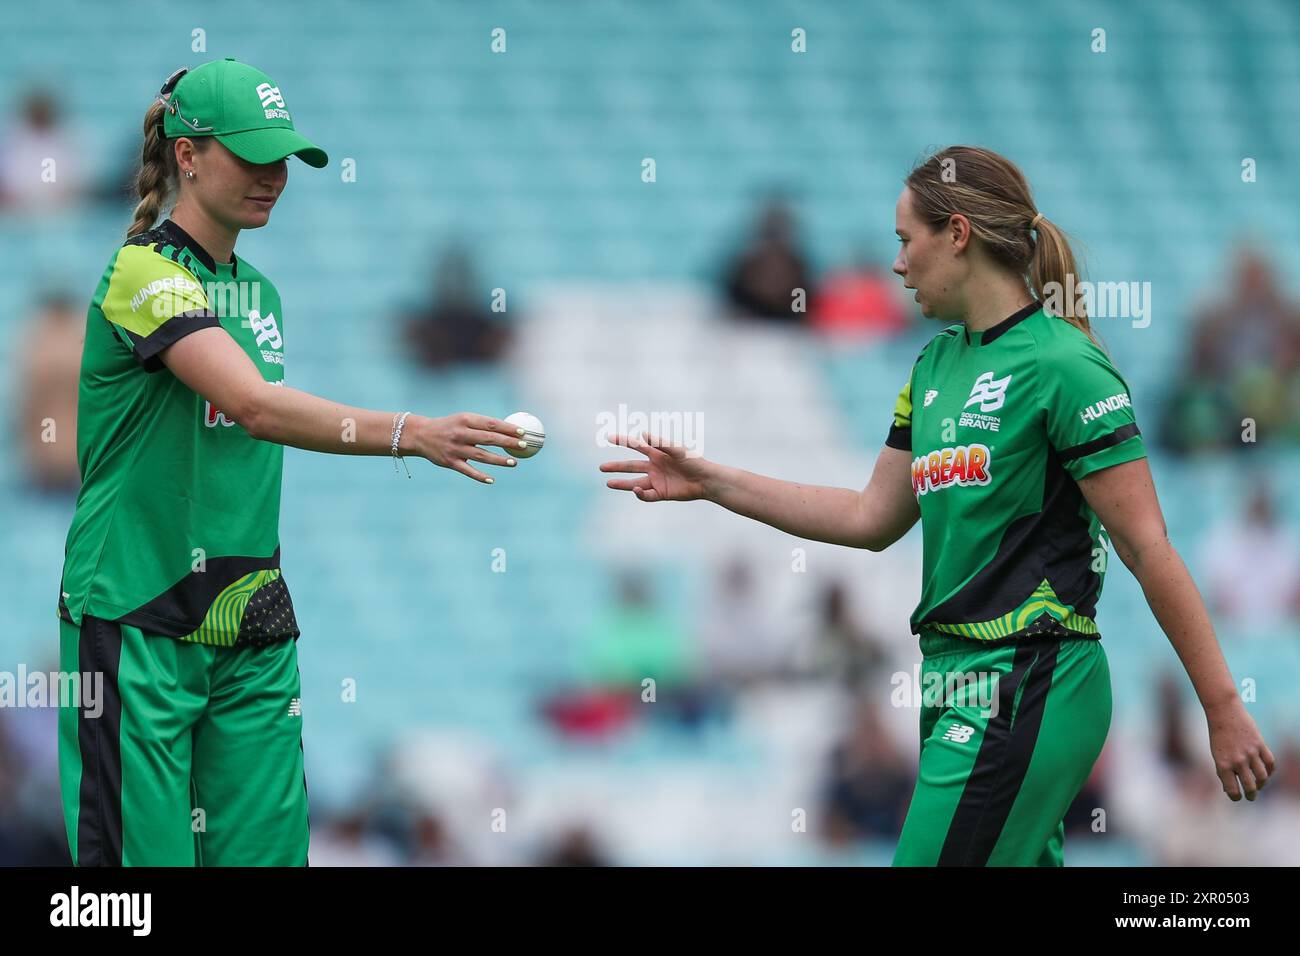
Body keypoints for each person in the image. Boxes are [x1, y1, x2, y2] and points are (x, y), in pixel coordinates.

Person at [600, 145, 1275, 866]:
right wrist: (713, 483)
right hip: (952, 681)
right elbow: (869, 518)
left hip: (1032, 674)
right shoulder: (932, 366)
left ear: (957, 233)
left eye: (903, 240)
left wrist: (1222, 706)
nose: (895, 264)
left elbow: (1147, 547)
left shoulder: (1064, 366)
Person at [57, 59, 528, 867]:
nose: (274, 175)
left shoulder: (262, 295)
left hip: (248, 614)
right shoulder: (140, 275)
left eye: (283, 157)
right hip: (137, 613)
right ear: (188, 154)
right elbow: (254, 407)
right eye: (251, 154)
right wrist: (409, 431)